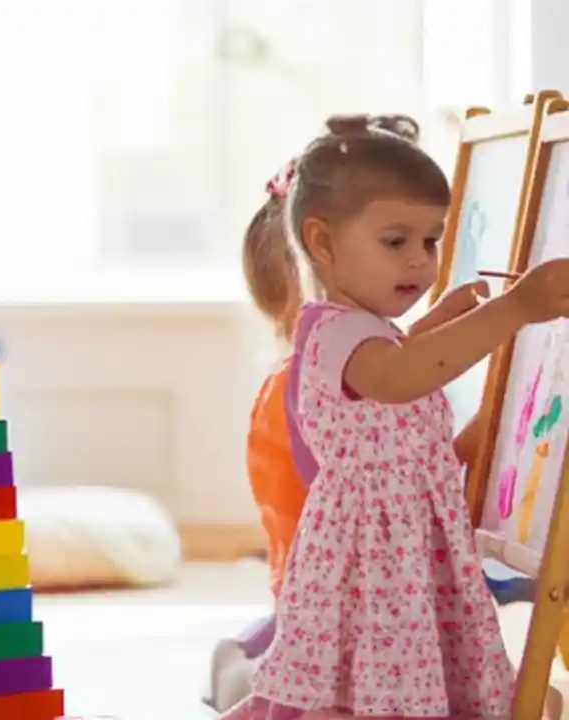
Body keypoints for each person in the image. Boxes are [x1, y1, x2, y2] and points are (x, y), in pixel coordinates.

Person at [222, 113, 569, 719]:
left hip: (404, 552)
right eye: (396, 241)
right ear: (323, 242)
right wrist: (514, 309)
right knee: (373, 692)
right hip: (374, 564)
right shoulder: (340, 337)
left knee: (423, 680)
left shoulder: (367, 331)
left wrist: (449, 330)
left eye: (431, 241)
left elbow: (404, 384)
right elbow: (403, 376)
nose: (420, 261)